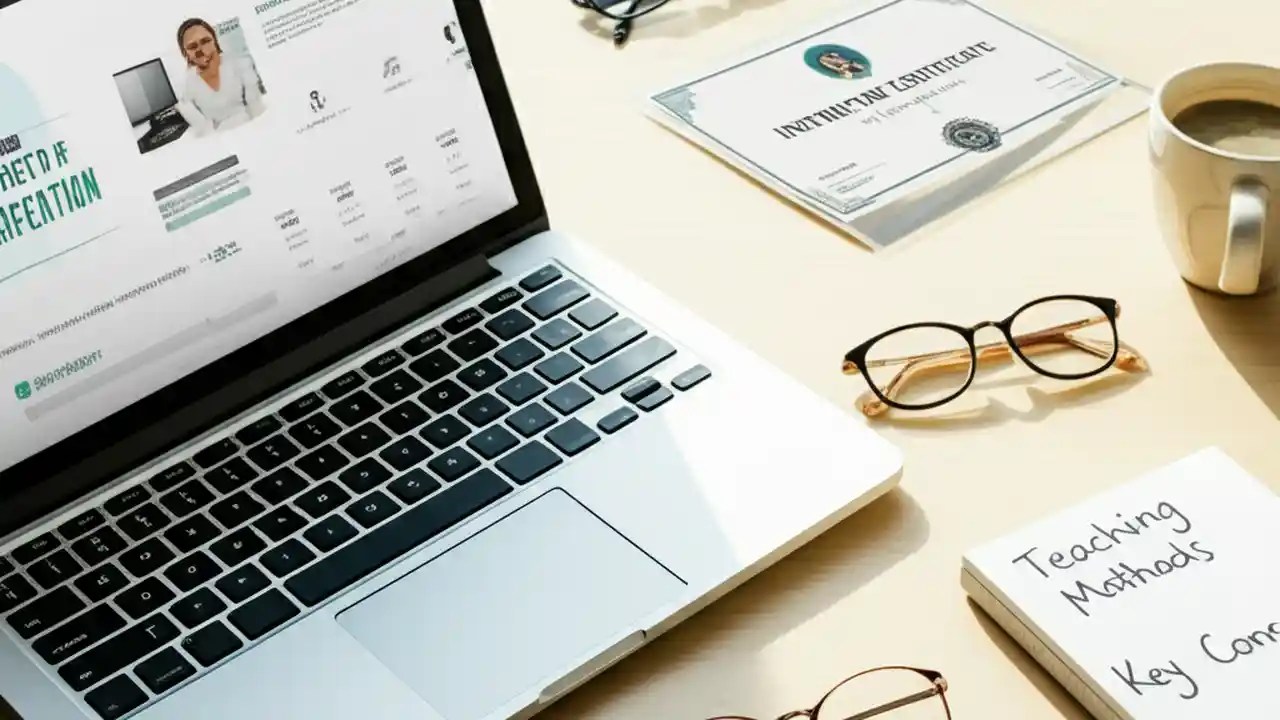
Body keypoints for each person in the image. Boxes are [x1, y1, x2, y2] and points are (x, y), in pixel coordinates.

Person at [176, 18, 265, 133]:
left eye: (205, 41)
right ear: (185, 53)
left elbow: (257, 108)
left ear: (215, 40)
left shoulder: (240, 64)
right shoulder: (188, 84)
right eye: (192, 46)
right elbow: (201, 128)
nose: (201, 50)